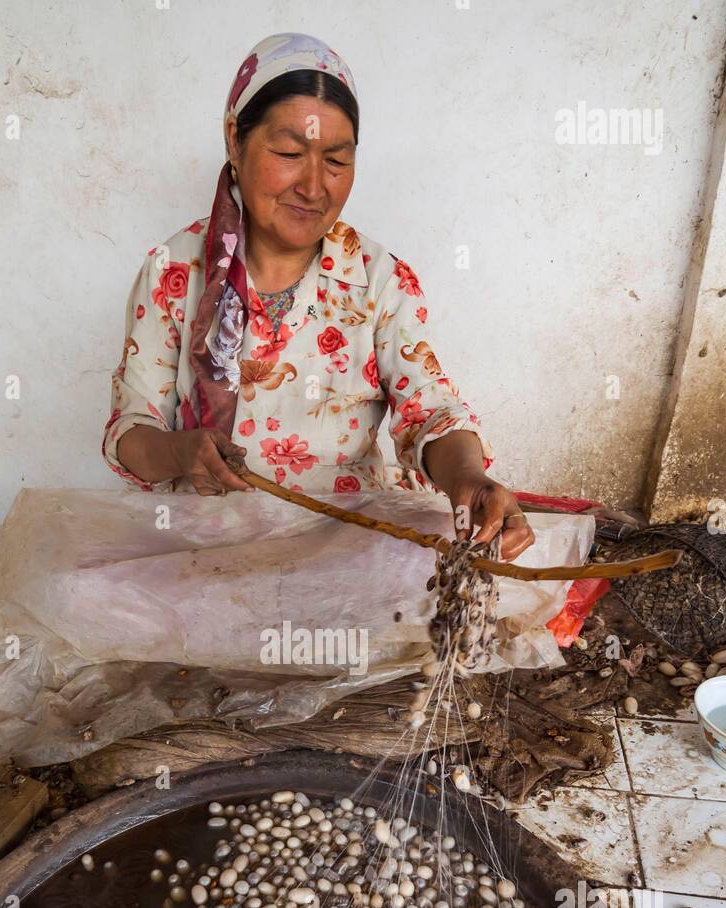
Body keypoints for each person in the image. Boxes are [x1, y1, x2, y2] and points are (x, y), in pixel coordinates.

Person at [103, 31, 534, 561]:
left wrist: (469, 477)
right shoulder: (174, 272)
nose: (313, 187)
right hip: (209, 542)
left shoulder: (379, 280)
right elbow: (131, 432)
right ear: (235, 140)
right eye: (288, 152)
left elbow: (430, 411)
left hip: (349, 535)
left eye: (336, 160)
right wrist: (178, 451)